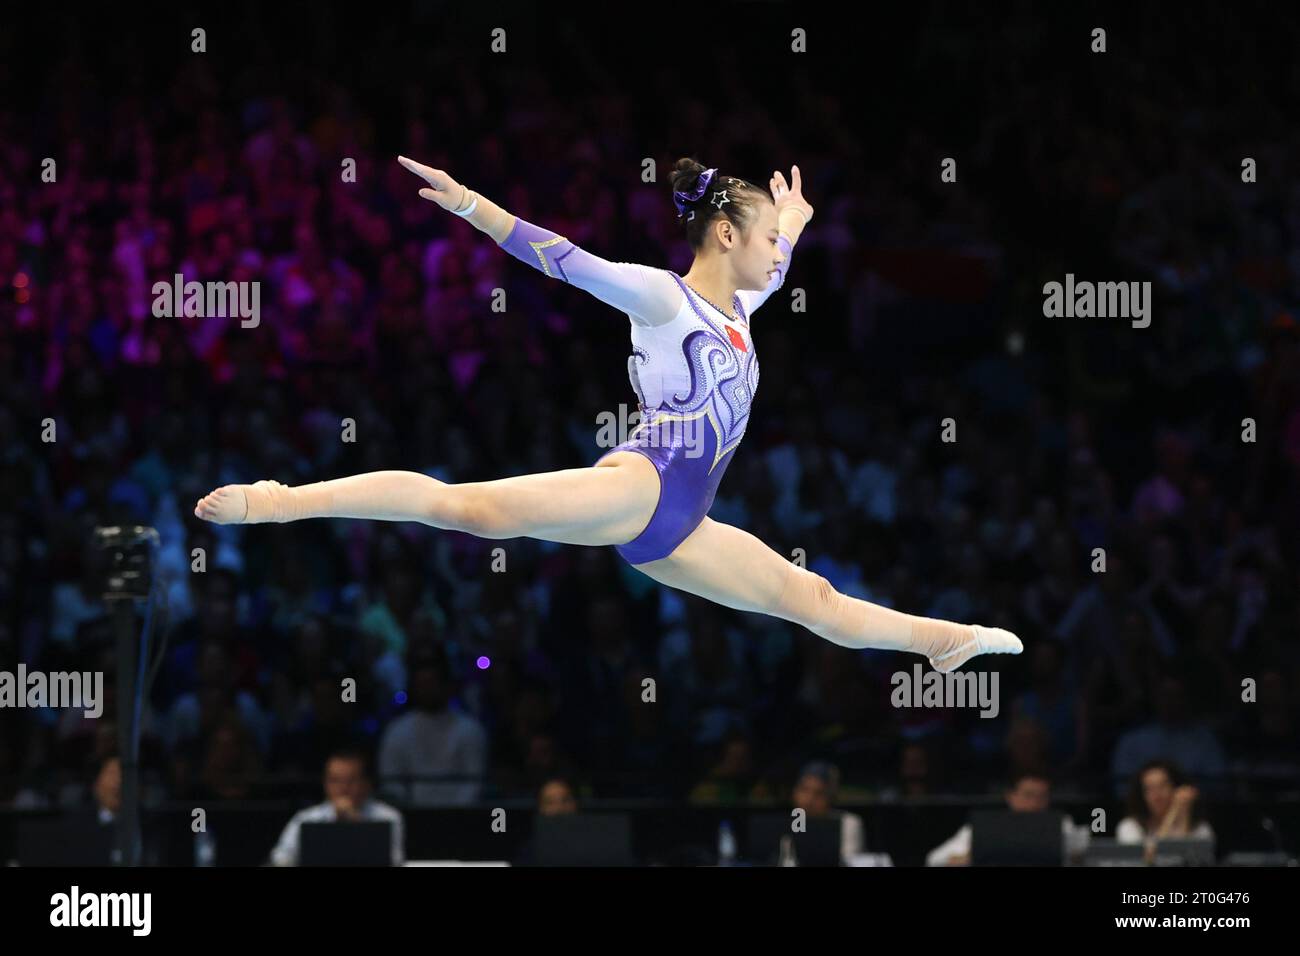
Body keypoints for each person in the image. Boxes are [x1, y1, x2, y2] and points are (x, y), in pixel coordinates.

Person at [194, 156, 1021, 674]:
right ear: (725, 231)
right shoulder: (665, 298)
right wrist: (475, 207)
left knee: (813, 600)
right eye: (765, 236)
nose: (779, 253)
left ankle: (939, 642)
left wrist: (793, 220)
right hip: (643, 481)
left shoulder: (742, 305)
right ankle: (282, 500)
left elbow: (777, 265)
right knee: (470, 510)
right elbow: (568, 262)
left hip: (681, 527)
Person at [377, 645, 488, 805]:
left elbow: (475, 781)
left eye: (432, 683)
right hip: (410, 817)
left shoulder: (470, 730)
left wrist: (454, 813)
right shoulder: (396, 731)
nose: (427, 690)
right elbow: (391, 782)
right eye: (422, 685)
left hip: (461, 817)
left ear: (447, 686)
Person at [268, 748, 404, 866]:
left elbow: (395, 861)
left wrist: (355, 823)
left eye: (351, 780)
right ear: (325, 784)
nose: (343, 788)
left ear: (366, 783)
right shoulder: (307, 818)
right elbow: (280, 858)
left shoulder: (387, 817)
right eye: (335, 780)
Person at [926, 771, 1089, 866]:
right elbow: (934, 860)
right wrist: (968, 858)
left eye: (1042, 796)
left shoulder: (1061, 825)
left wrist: (1075, 857)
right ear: (1011, 797)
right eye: (1028, 795)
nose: (1035, 802)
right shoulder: (987, 828)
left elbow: (1086, 855)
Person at [1116, 760, 1214, 861]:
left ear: (1176, 788)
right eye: (1149, 789)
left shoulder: (1201, 828)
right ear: (1142, 795)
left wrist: (1183, 817)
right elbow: (1148, 860)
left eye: (1163, 786)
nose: (1157, 795)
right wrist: (1172, 814)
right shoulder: (1130, 826)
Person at [791, 761, 864, 863]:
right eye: (804, 790)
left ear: (831, 797)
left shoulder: (847, 822)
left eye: (818, 793)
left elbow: (848, 862)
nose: (809, 800)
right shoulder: (791, 824)